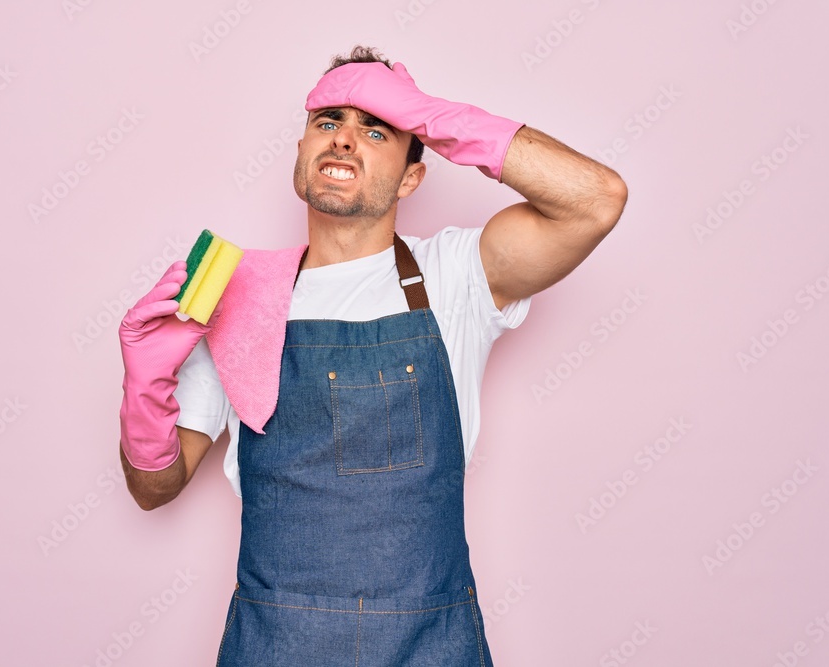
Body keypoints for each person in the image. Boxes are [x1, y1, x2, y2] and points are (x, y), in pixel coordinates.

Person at [117, 46, 627, 666]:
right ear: (301, 152)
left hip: (428, 646)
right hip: (274, 645)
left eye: (376, 128)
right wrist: (144, 382)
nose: (344, 140)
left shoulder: (458, 275)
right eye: (327, 122)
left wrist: (431, 115)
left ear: (413, 175)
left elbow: (596, 198)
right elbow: (154, 490)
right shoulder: (238, 296)